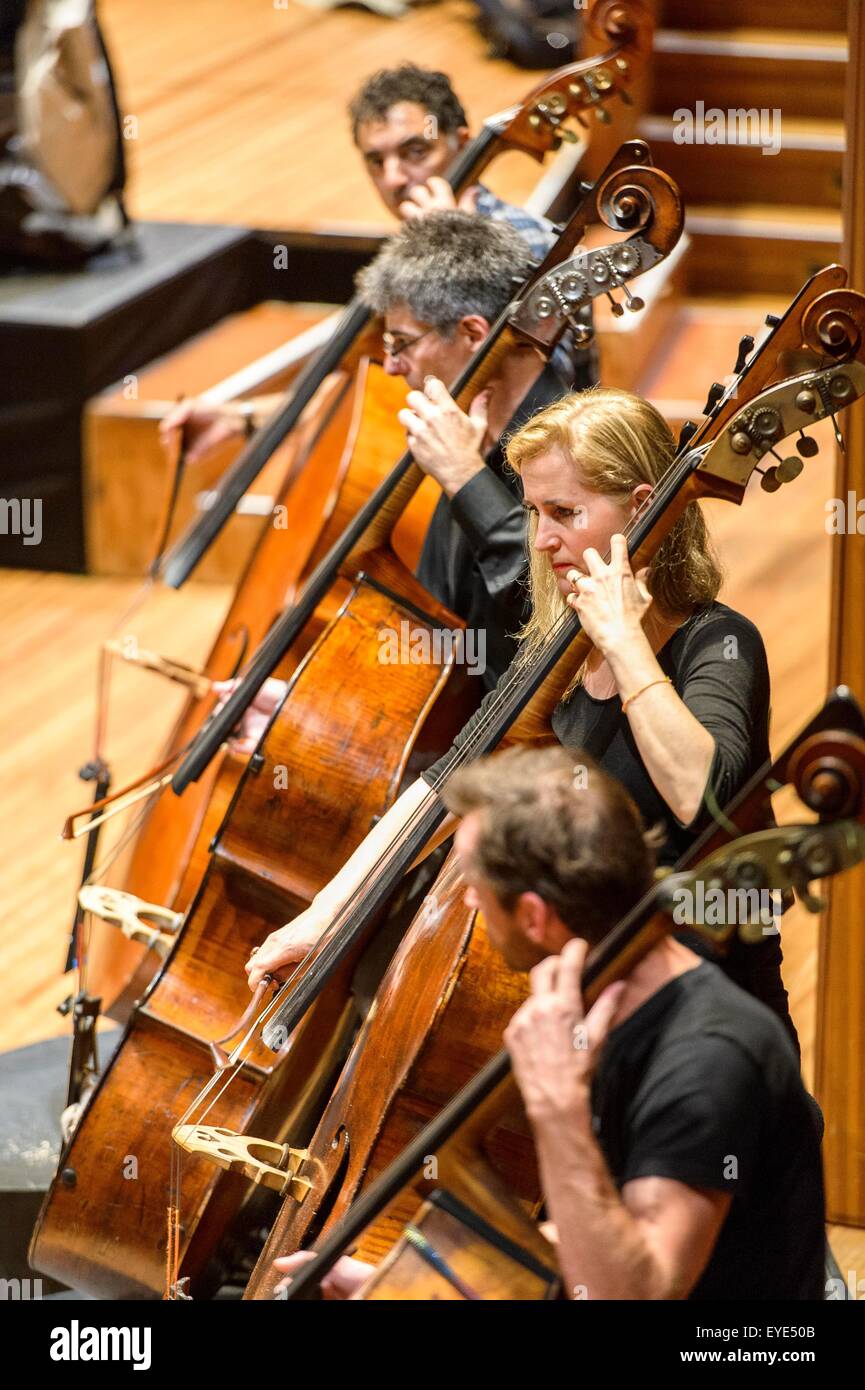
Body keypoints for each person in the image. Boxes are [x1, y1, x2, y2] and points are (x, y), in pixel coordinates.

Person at [246, 386, 798, 1054]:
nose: (540, 540)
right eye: (534, 511)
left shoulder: (718, 643)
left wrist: (624, 645)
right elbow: (449, 781)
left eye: (564, 511)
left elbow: (701, 797)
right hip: (581, 1008)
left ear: (643, 506)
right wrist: (326, 917)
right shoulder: (556, 649)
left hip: (699, 1028)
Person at [271, 747, 826, 1301]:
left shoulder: (708, 1056)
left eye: (476, 884)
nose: (467, 897)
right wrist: (404, 1284)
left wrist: (560, 1113)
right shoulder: (596, 1004)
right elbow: (597, 1226)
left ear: (534, 915)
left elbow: (638, 1291)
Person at [159, 63, 565, 465]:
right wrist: (242, 418)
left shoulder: (527, 241)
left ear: (462, 143)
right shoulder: (403, 261)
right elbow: (366, 398)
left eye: (415, 152)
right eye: (376, 161)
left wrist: (451, 242)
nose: (394, 178)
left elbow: (549, 394)